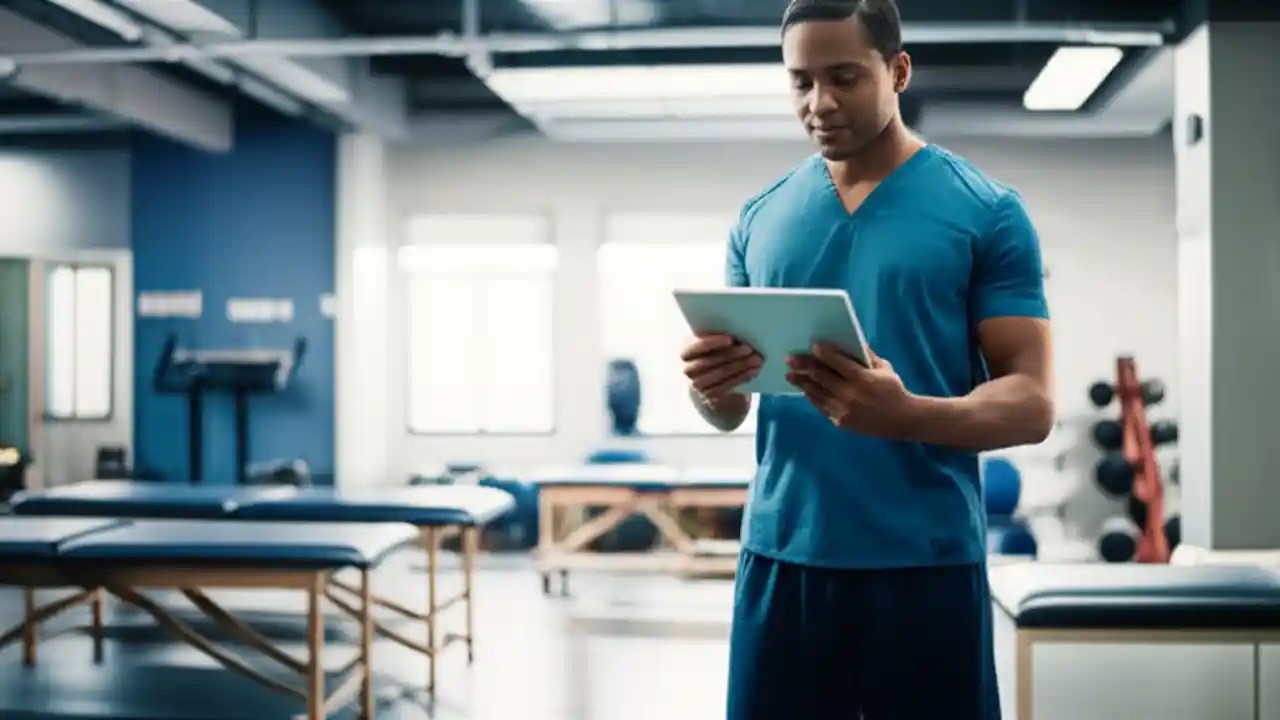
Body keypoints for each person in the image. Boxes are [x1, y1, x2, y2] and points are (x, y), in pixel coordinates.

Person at [679, 1, 1054, 718]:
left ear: (899, 70)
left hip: (924, 564)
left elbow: (1032, 401)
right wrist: (712, 390)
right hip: (782, 556)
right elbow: (730, 410)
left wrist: (908, 414)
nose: (819, 104)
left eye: (844, 77)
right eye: (801, 82)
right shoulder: (761, 217)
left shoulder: (987, 212)